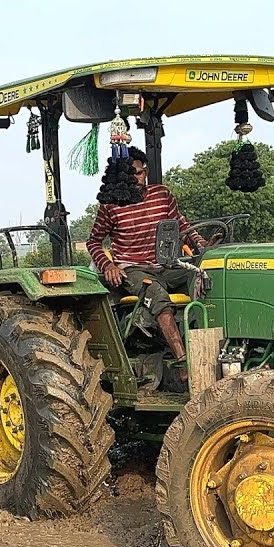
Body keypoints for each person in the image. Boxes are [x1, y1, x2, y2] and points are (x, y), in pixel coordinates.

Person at [87, 147, 209, 378]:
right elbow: (93, 241)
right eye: (129, 175)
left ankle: (213, 347)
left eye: (139, 173)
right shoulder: (110, 205)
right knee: (157, 294)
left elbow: (181, 226)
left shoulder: (162, 195)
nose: (136, 179)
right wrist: (108, 265)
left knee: (206, 275)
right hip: (133, 269)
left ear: (146, 172)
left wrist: (202, 244)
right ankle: (183, 363)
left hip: (167, 264)